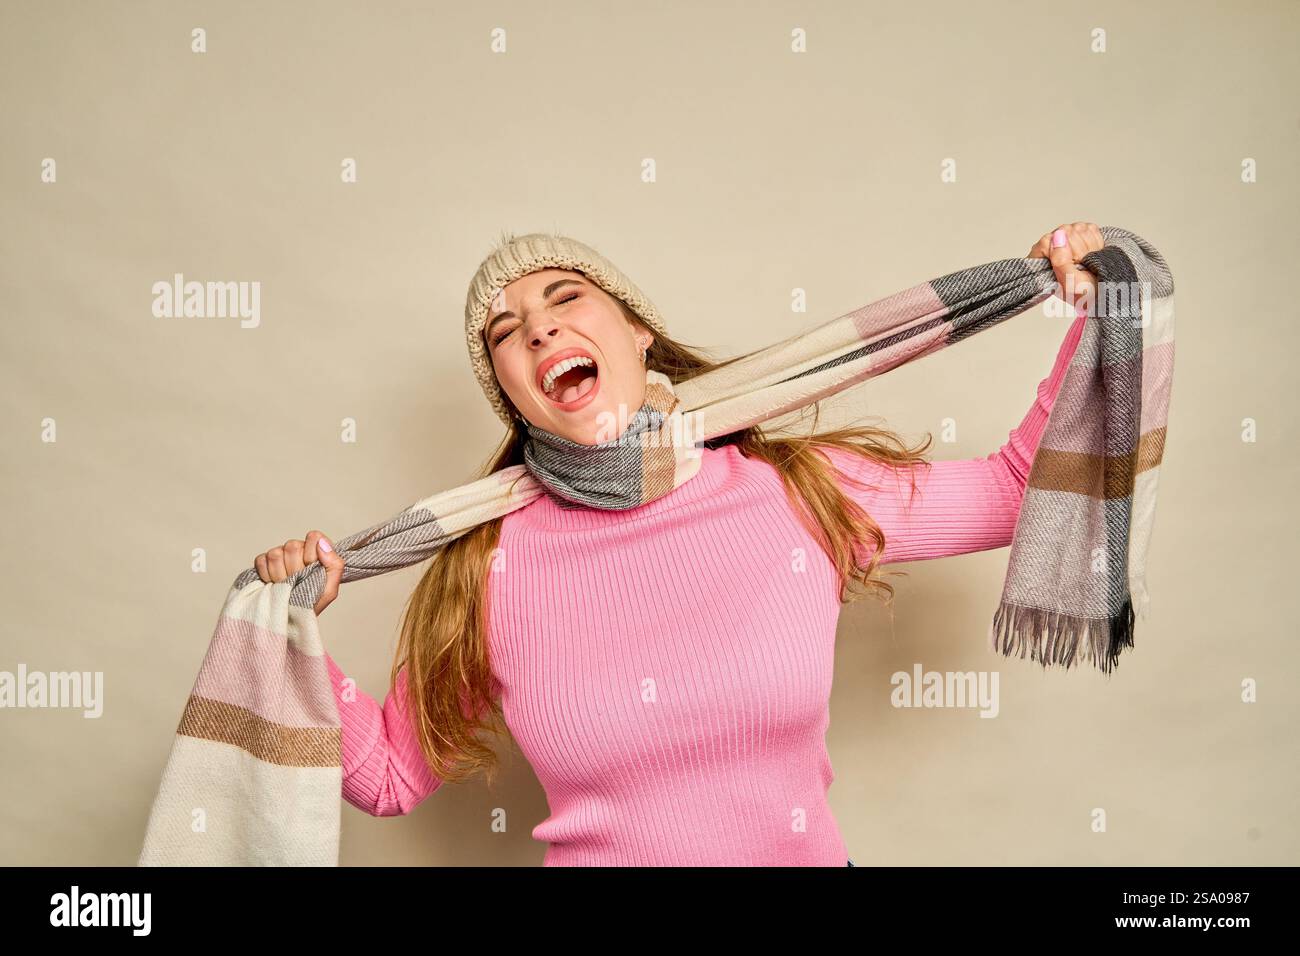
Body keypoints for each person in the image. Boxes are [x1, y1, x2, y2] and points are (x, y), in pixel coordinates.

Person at [253, 224, 1103, 866]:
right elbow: (392, 776)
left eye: (566, 299)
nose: (540, 331)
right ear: (511, 392)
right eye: (506, 332)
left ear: (637, 334)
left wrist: (1092, 311)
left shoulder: (796, 492)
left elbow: (1014, 492)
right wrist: (286, 632)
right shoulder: (487, 569)